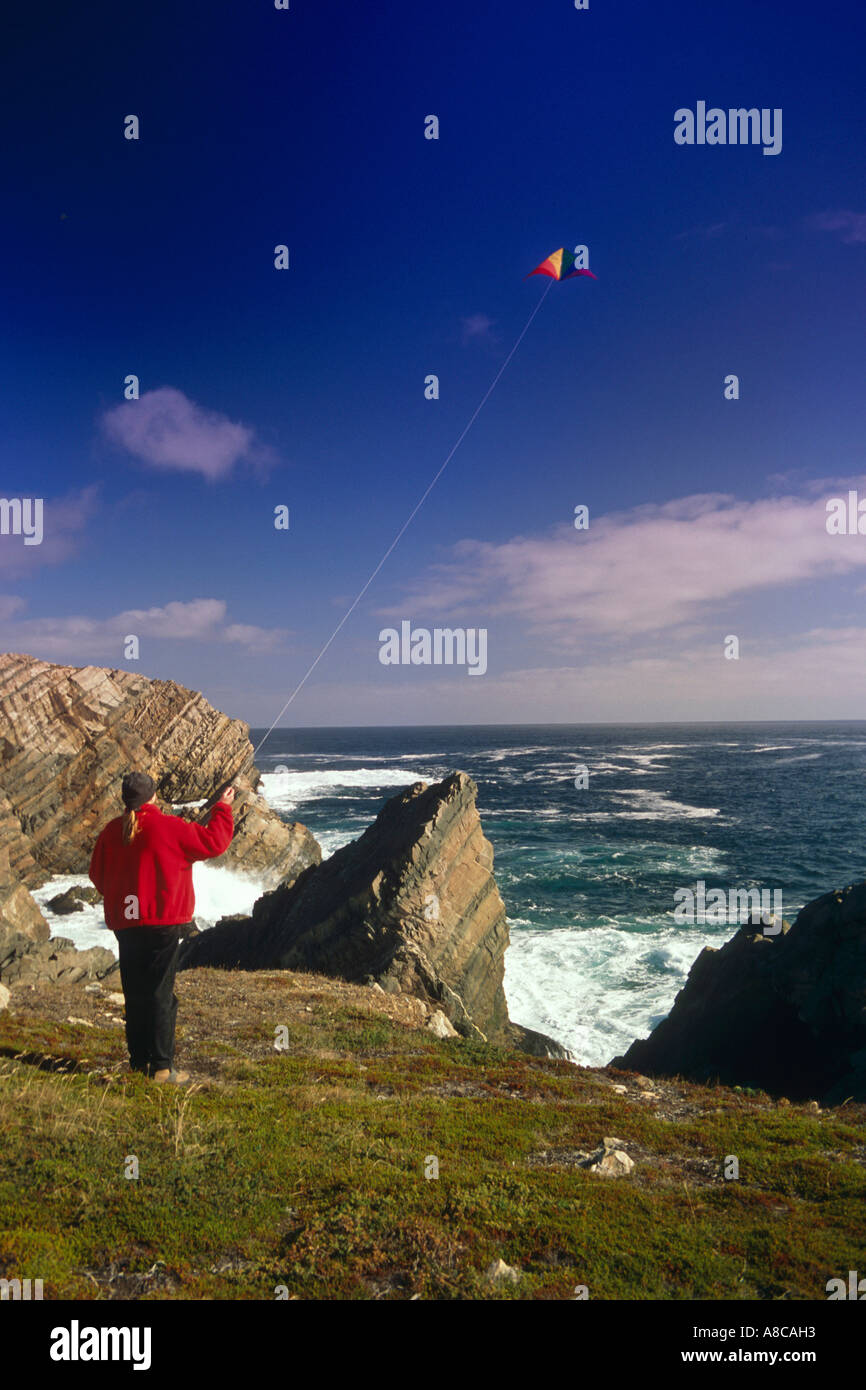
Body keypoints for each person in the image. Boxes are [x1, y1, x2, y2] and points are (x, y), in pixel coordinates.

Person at [89, 771, 236, 1084]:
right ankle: (161, 1068)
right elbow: (214, 843)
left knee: (136, 992)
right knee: (160, 994)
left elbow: (97, 876)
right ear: (153, 797)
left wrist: (121, 896)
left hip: (126, 923)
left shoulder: (111, 830)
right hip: (163, 922)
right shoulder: (169, 826)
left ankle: (139, 1062)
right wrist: (223, 808)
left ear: (125, 798)